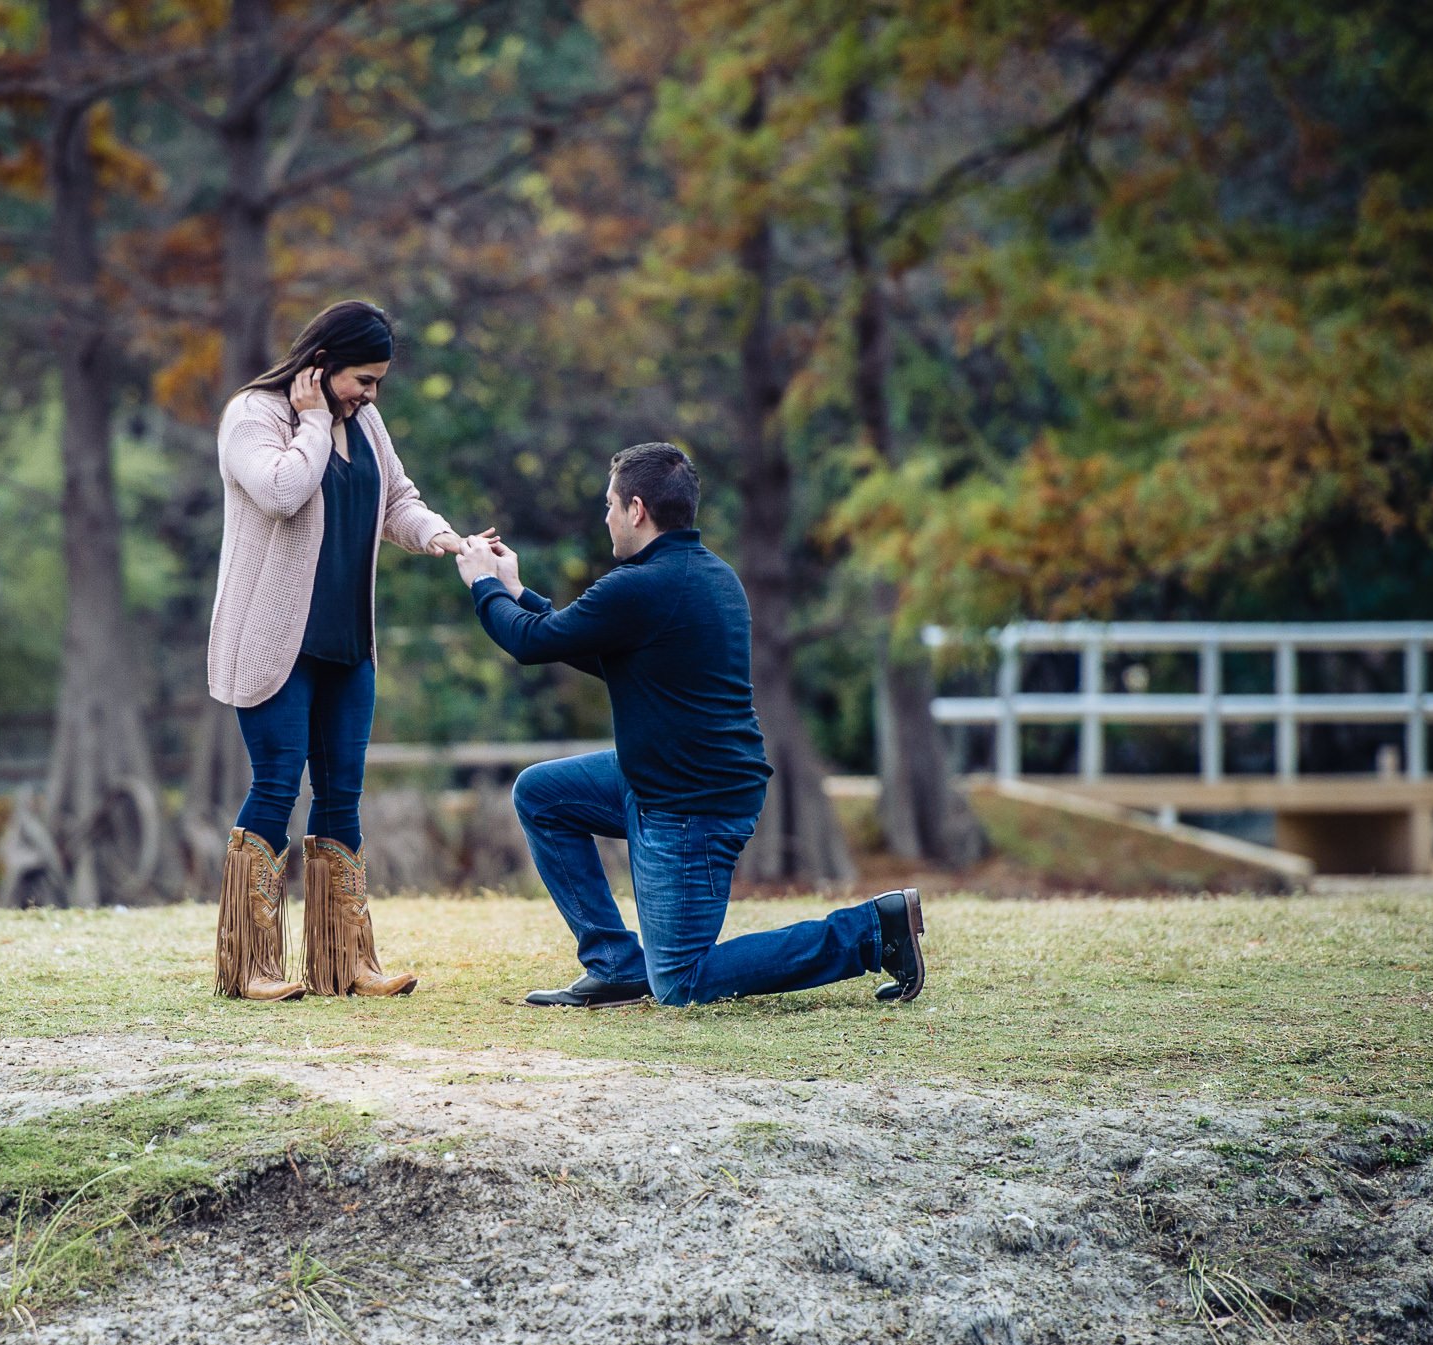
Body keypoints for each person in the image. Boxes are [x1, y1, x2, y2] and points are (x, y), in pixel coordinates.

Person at [455, 441, 927, 1008]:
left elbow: (532, 642)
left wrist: (483, 585)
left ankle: (873, 932)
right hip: (663, 780)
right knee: (542, 794)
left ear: (635, 509)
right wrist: (513, 591)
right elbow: (587, 640)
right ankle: (615, 965)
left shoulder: (644, 585)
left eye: (609, 504)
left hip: (690, 806)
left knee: (681, 981)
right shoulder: (707, 576)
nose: (604, 516)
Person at [206, 300, 479, 1000]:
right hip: (276, 641)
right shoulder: (254, 416)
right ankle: (250, 967)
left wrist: (444, 537)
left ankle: (342, 963)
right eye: (363, 379)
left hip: (346, 641)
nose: (371, 394)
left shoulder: (366, 422)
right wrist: (317, 423)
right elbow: (280, 492)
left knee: (343, 794)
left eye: (378, 383)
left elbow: (397, 502)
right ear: (322, 366)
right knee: (276, 785)